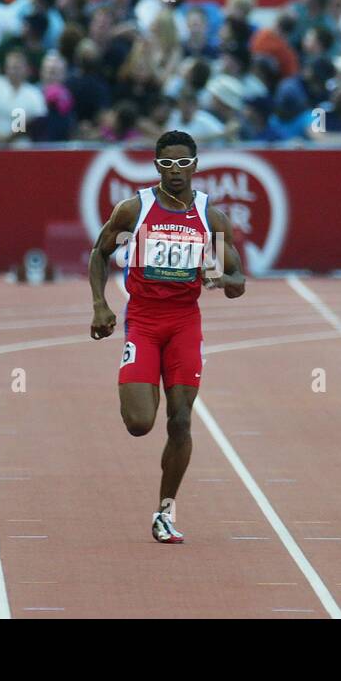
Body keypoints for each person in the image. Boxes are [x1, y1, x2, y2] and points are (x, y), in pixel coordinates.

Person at [88, 130, 246, 543]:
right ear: (155, 165)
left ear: (195, 165)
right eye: (166, 164)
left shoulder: (211, 217)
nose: (175, 172)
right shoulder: (133, 209)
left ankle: (164, 512)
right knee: (140, 423)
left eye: (182, 163)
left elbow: (238, 278)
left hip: (184, 323)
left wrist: (222, 280)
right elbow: (99, 252)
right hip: (143, 319)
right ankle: (144, 382)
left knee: (180, 422)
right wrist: (99, 305)